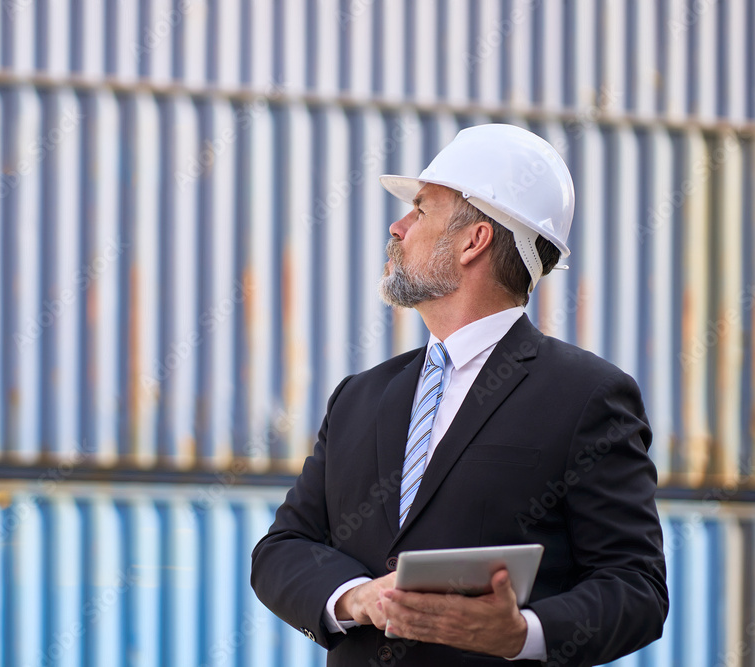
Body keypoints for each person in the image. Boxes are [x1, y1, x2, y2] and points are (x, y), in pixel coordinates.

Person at [251, 124, 668, 666]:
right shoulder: (358, 397)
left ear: (475, 241)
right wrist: (357, 596)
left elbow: (636, 589)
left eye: (421, 210)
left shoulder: (586, 396)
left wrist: (523, 634)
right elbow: (281, 550)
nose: (398, 227)